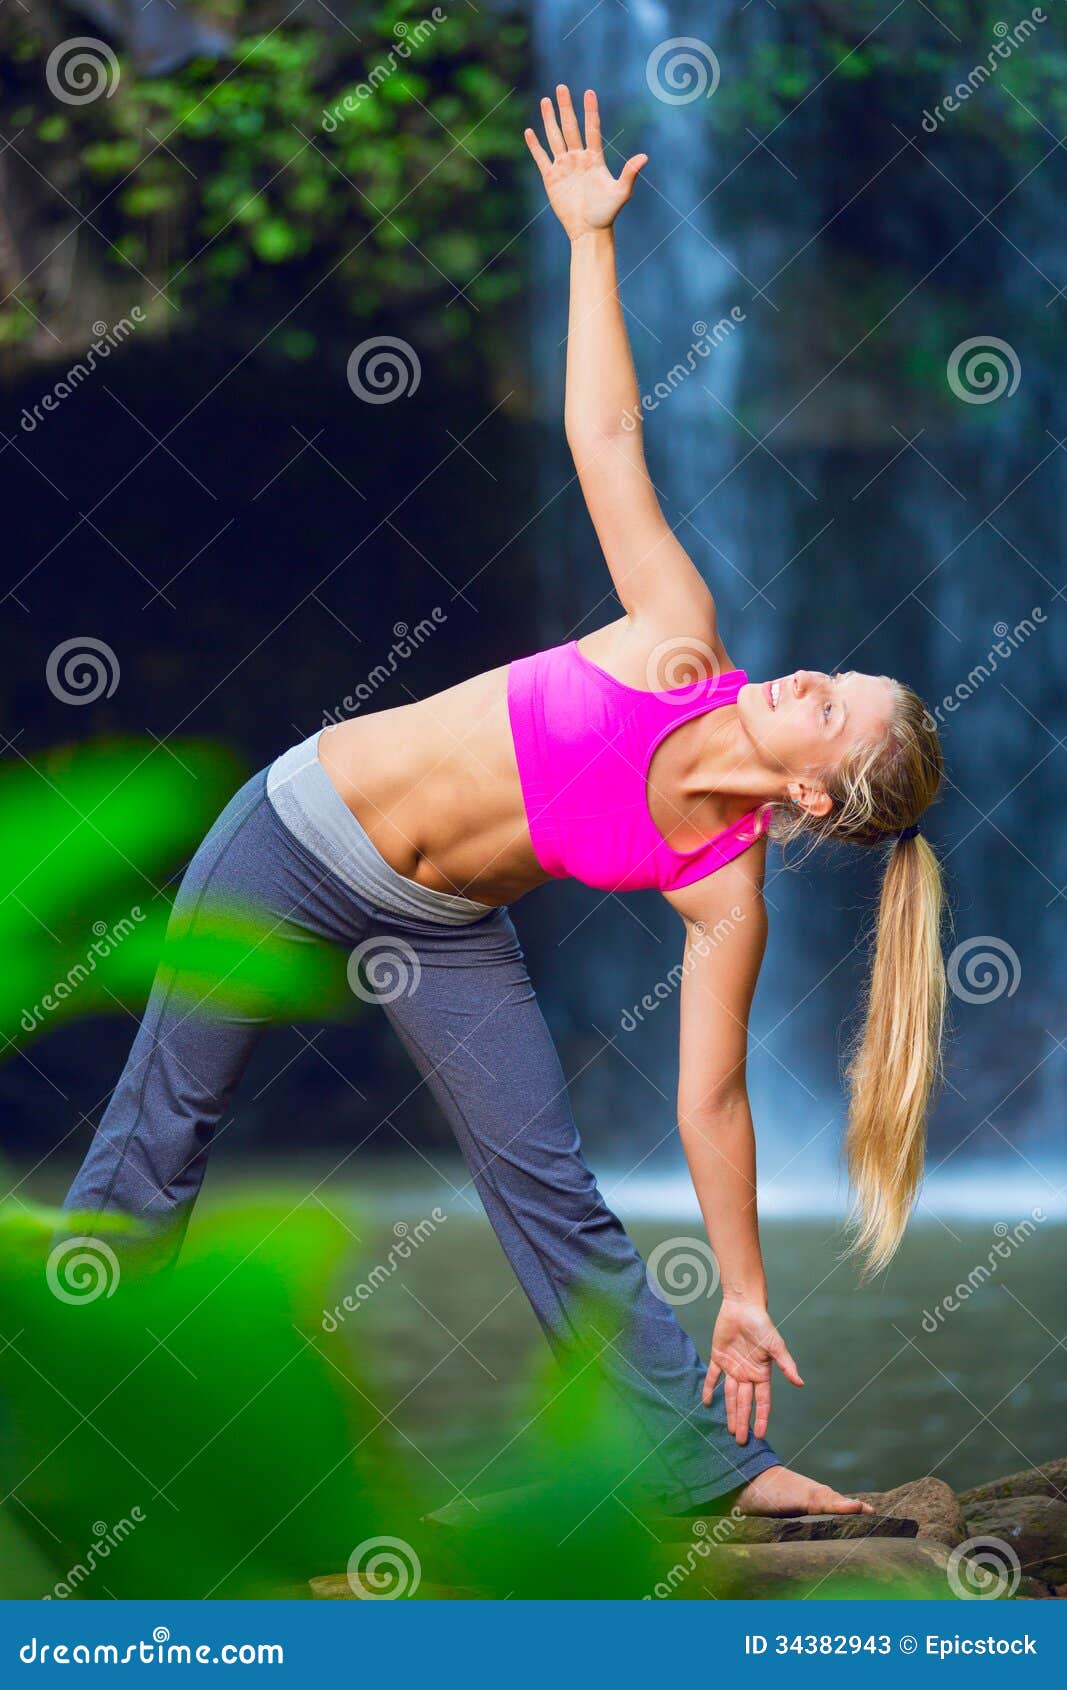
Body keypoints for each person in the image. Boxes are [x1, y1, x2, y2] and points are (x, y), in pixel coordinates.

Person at [63, 87, 946, 1520]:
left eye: (830, 708)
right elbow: (605, 440)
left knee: (553, 1190)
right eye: (831, 672)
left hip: (442, 919)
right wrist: (592, 243)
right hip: (296, 834)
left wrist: (743, 1289)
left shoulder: (725, 880)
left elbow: (713, 1100)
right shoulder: (680, 642)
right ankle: (52, 1423)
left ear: (811, 789)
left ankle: (713, 1469)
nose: (804, 679)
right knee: (164, 1129)